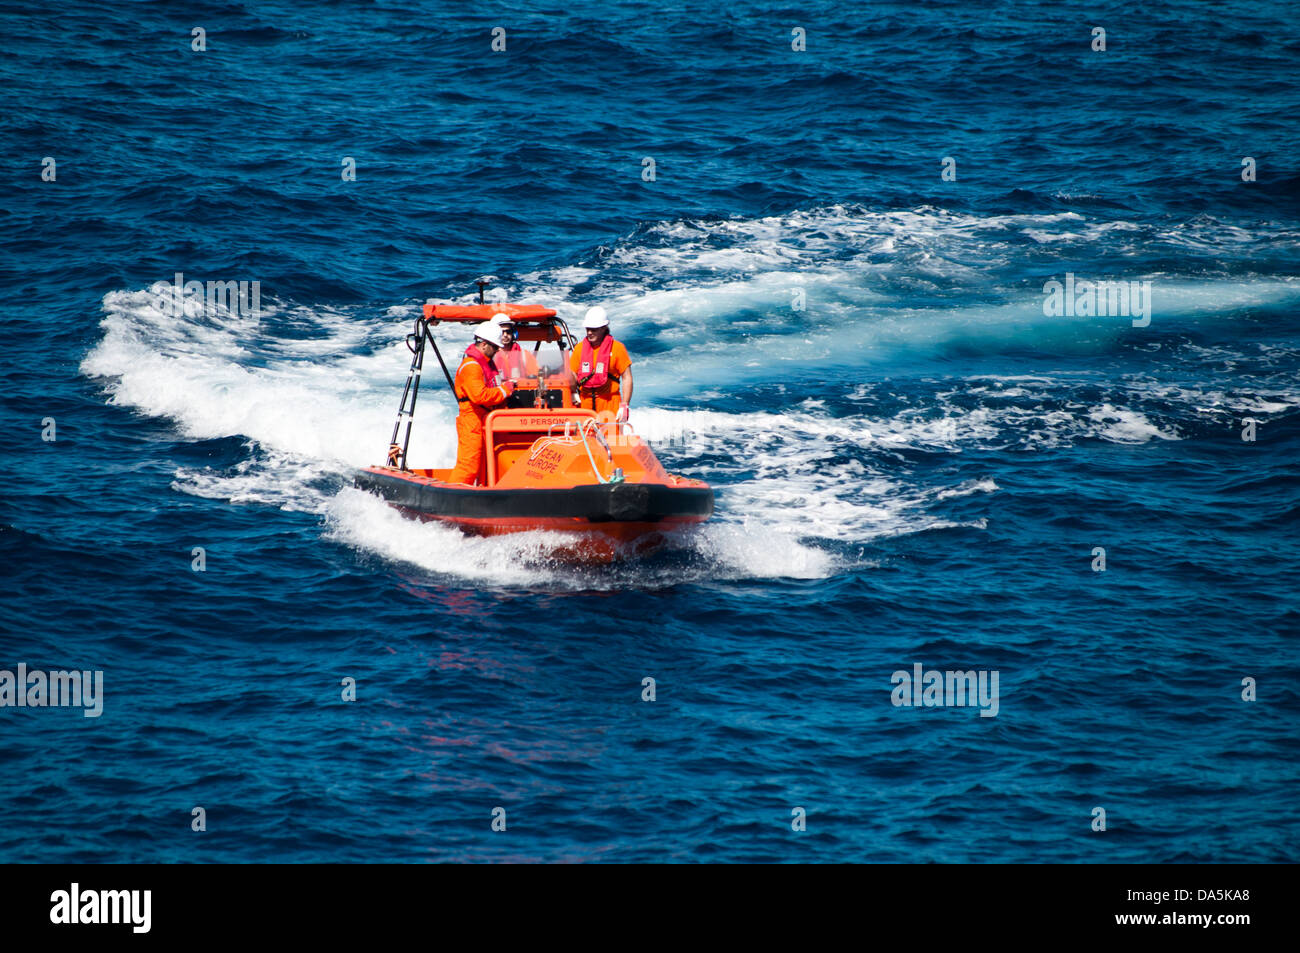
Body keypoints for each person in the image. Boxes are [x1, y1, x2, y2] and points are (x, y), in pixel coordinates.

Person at [448, 316, 516, 485]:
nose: (497, 350)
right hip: (472, 420)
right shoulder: (472, 366)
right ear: (484, 344)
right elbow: (480, 396)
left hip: (485, 419)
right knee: (468, 466)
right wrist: (505, 390)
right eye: (494, 346)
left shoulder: (485, 364)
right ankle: (454, 497)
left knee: (485, 464)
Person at [569, 306, 633, 422]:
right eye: (587, 329)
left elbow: (627, 377)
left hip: (610, 404)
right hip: (584, 405)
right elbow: (572, 374)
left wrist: (625, 405)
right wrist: (573, 392)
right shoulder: (579, 349)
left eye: (594, 329)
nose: (589, 332)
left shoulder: (618, 348)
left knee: (611, 439)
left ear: (604, 328)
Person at [491, 313, 538, 383]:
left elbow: (536, 378)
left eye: (508, 332)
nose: (505, 335)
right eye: (502, 332)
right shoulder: (488, 355)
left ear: (513, 334)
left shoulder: (524, 355)